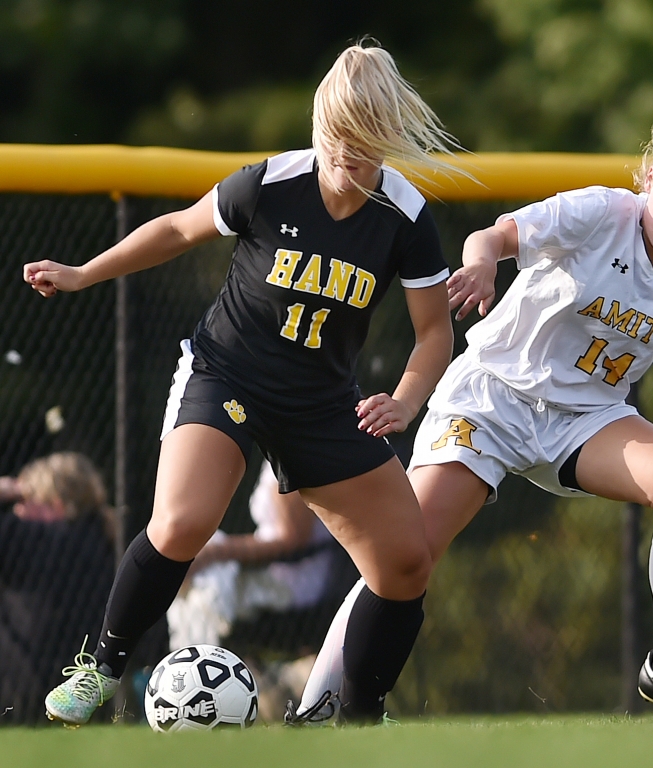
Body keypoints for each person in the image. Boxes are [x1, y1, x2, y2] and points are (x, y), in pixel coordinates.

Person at [295, 125, 653, 722]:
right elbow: (490, 236)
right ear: (647, 178)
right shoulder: (601, 211)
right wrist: (480, 267)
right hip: (491, 398)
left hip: (585, 418)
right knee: (405, 551)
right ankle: (321, 703)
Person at [24, 39, 461, 726]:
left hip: (321, 401)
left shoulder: (403, 217)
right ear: (321, 128)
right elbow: (174, 228)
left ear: (389, 138)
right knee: (182, 522)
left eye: (365, 142)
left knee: (405, 564)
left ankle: (360, 715)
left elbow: (434, 333)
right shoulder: (272, 181)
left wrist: (406, 400)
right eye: (338, 139)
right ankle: (100, 668)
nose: (347, 157)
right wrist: (83, 273)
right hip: (227, 372)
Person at [166, 459, 339, 651]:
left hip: (292, 578)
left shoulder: (292, 459)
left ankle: (200, 662)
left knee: (208, 579)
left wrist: (214, 553)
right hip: (272, 567)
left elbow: (290, 542)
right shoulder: (276, 455)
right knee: (196, 570)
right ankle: (189, 661)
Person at [0, 452, 115, 725]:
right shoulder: (104, 539)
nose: (18, 511)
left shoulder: (35, 541)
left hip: (22, 694)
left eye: (25, 501)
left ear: (56, 506)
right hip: (88, 698)